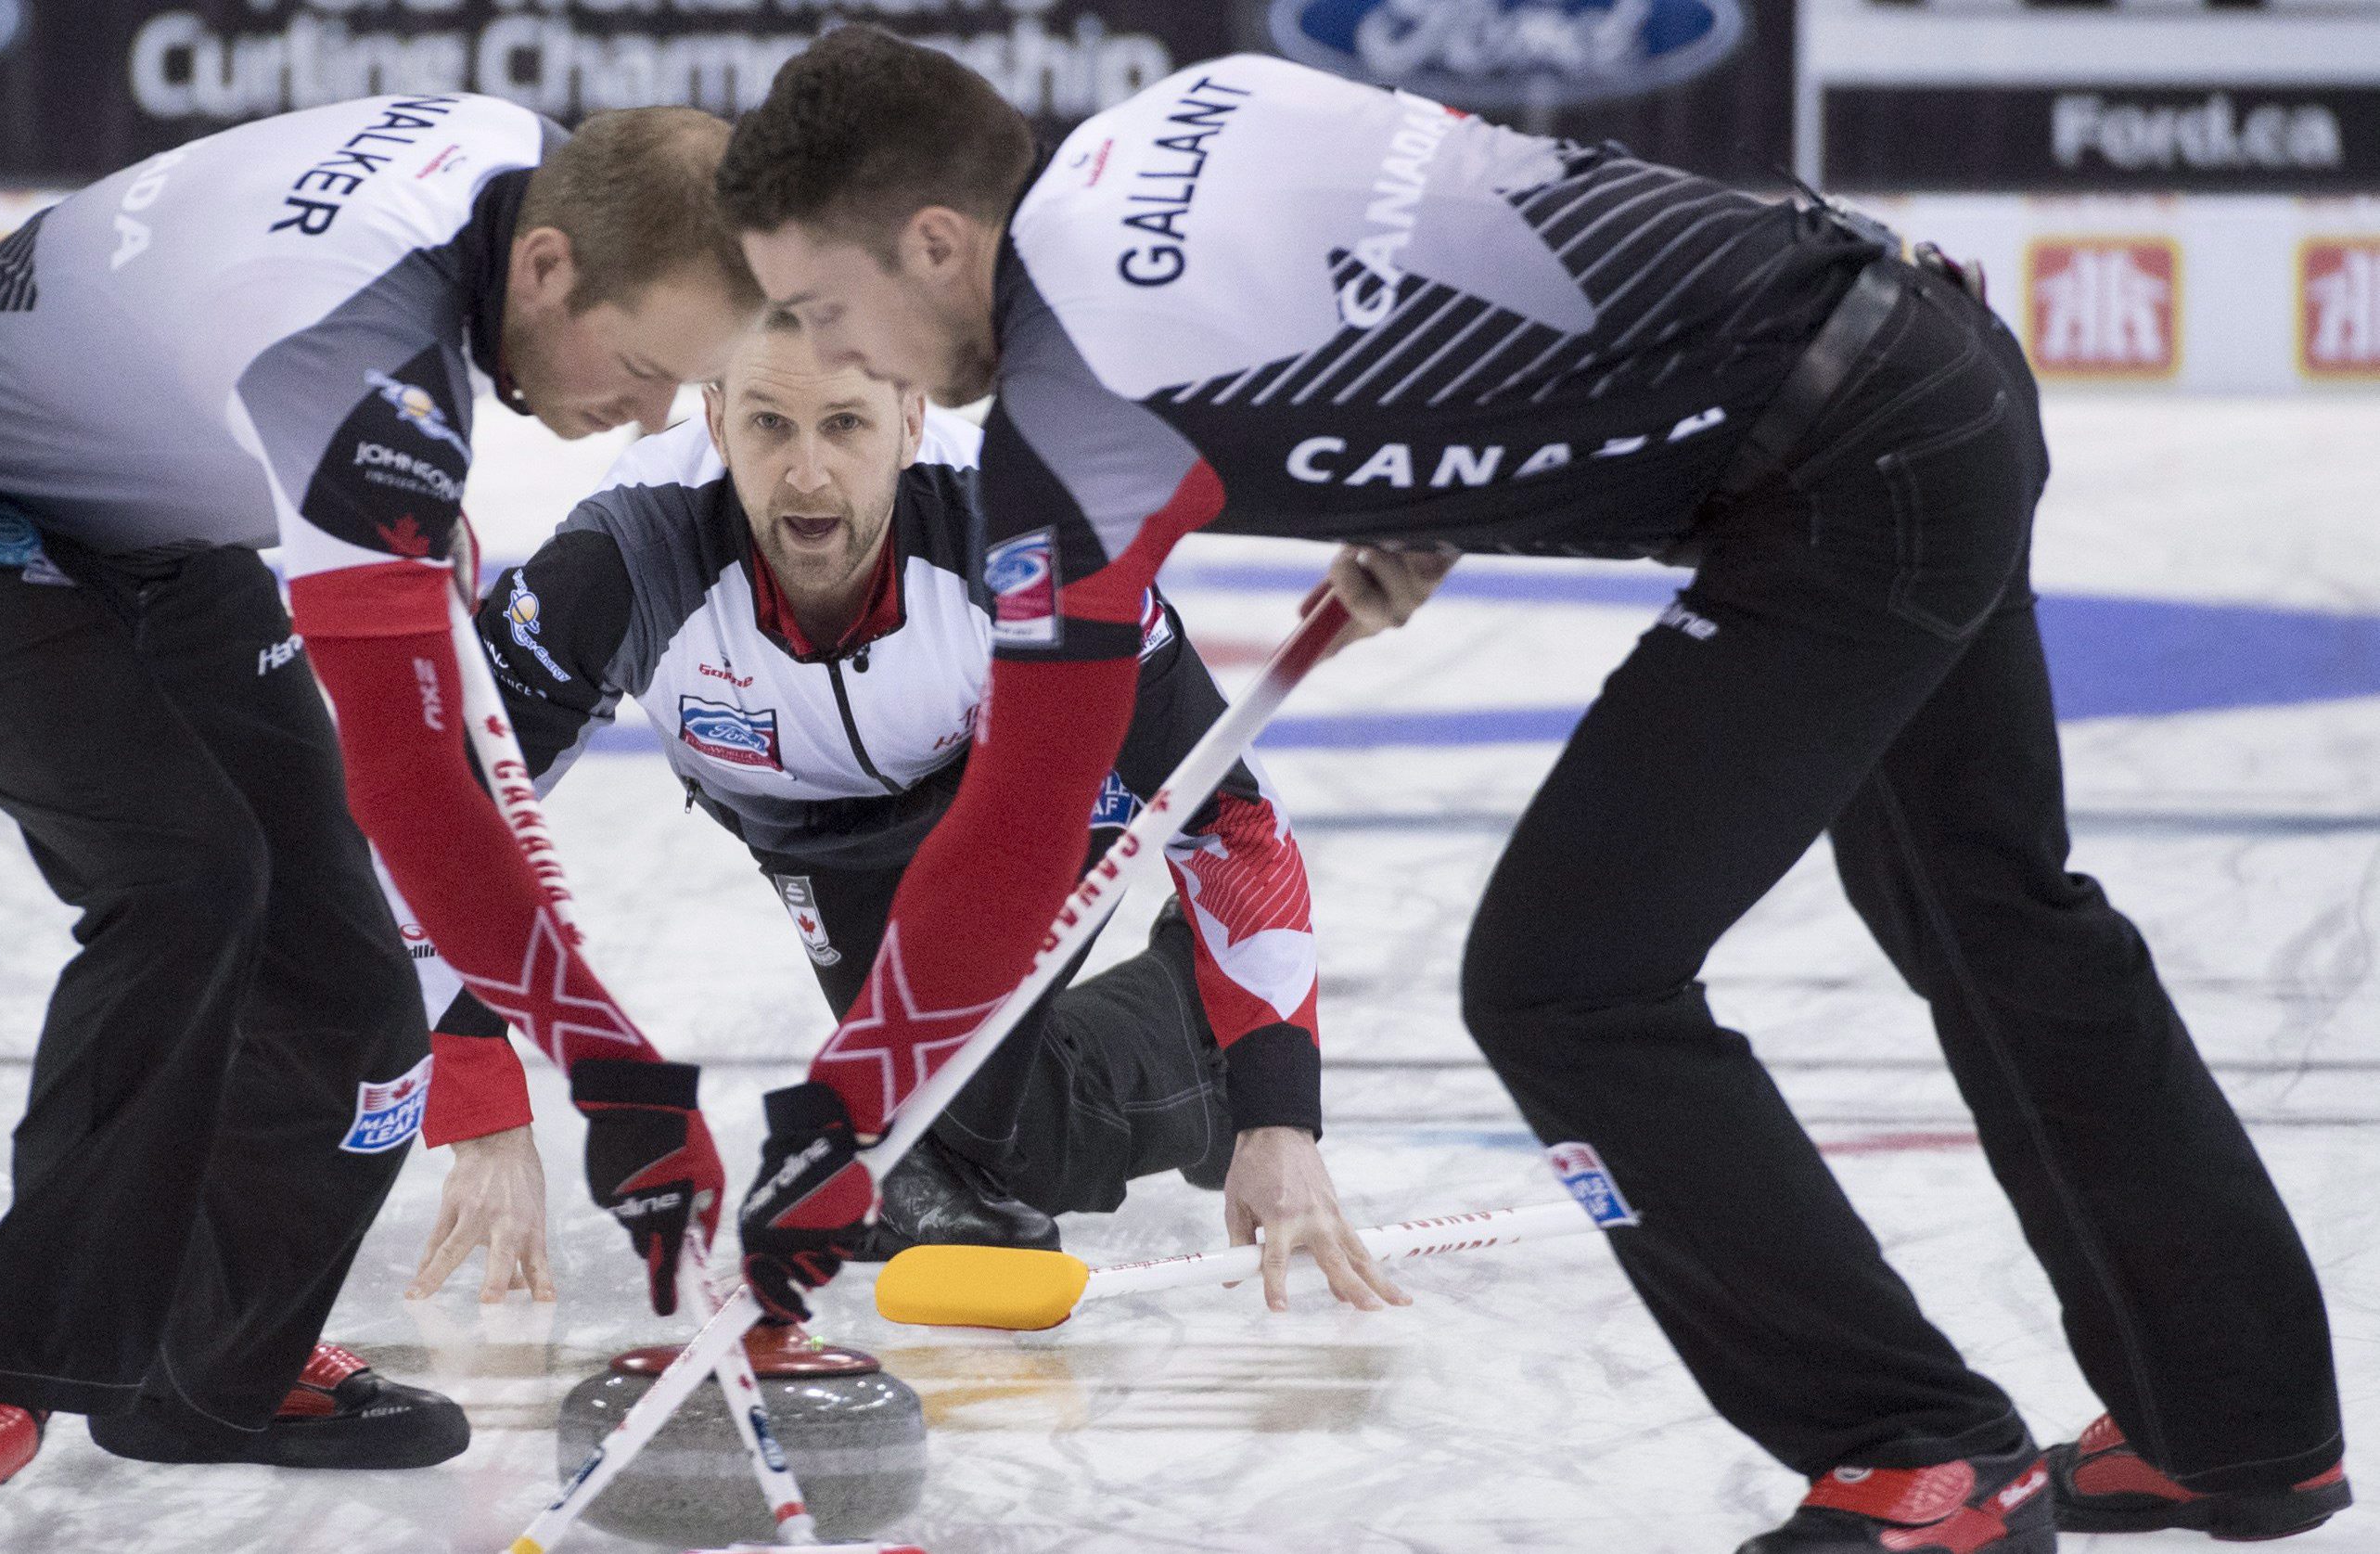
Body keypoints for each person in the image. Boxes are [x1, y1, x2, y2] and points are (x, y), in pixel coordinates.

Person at [709, 27, 2348, 1554]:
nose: (844, 354)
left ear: (936, 244)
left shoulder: (1069, 423)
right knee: (1998, 914)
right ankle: (2241, 1430)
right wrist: (1436, 480)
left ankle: (1918, 1456)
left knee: (1568, 982)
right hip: (1929, 361)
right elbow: (1482, 258)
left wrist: (844, 1117)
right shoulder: (1193, 109)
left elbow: (1013, 836)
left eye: (833, 315)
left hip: (1841, 480)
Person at [0, 94, 760, 1548]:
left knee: (351, 981)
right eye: (638, 369)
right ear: (546, 270)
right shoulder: (350, 349)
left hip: (146, 520)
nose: (653, 418)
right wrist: (616, 1072)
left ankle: (207, 1373)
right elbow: (421, 794)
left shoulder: (540, 164)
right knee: (188, 879)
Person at [400, 312, 1354, 1303]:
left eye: (844, 426)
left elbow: (1230, 817)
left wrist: (1276, 1111)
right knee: (951, 1127)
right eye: (769, 425)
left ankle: (1207, 1065)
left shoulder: (1023, 529)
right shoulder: (622, 560)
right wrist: (483, 1119)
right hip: (810, 841)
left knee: (985, 1128)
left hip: (1017, 800)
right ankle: (1174, 1016)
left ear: (910, 418)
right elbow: (434, 817)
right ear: (715, 422)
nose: (806, 477)